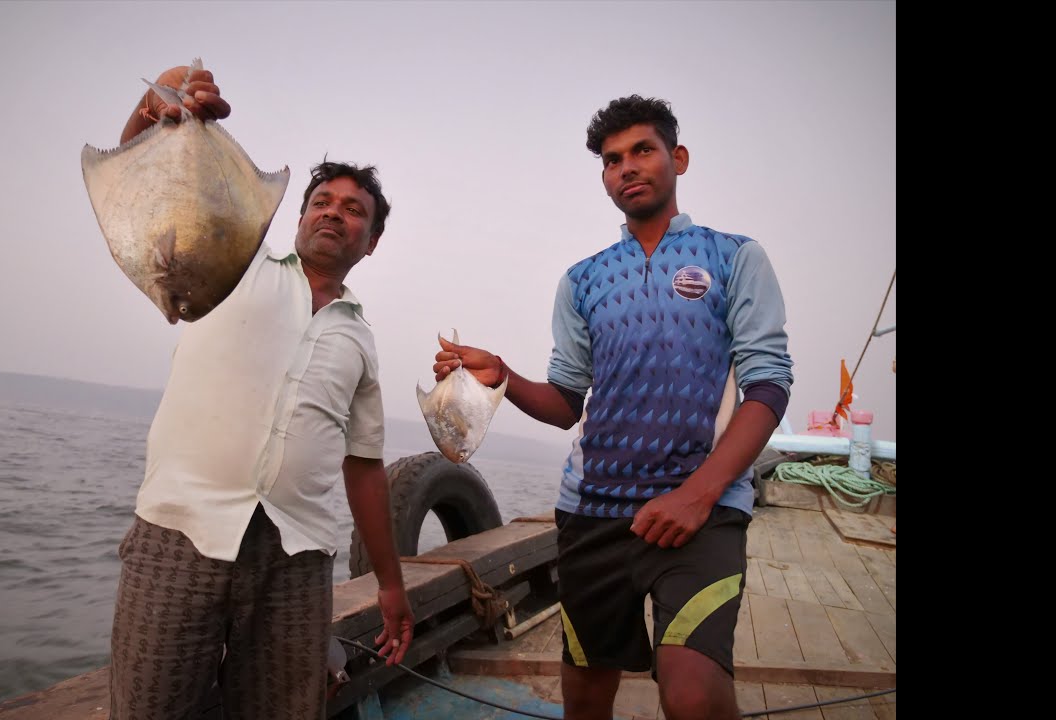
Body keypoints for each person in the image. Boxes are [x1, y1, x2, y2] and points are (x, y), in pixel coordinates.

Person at [432, 95, 793, 720]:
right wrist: (504, 377)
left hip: (700, 513)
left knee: (693, 695)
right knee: (587, 695)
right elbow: (567, 402)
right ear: (603, 178)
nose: (627, 167)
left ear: (677, 158)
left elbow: (768, 387)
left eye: (643, 151)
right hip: (591, 512)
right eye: (612, 160)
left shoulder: (735, 257)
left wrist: (698, 495)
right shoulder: (584, 279)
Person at [108, 64, 414, 720]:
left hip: (297, 556)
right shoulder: (233, 264)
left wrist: (390, 583)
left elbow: (363, 468)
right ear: (300, 216)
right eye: (321, 203)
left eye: (352, 209)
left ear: (373, 239)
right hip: (180, 530)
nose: (333, 213)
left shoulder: (361, 340)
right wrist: (158, 106)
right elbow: (147, 192)